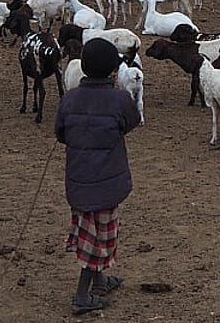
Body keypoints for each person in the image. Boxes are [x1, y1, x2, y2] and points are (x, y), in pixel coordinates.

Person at [55, 38, 142, 315]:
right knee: (98, 238)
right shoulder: (120, 100)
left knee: (91, 232)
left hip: (79, 180)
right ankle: (82, 296)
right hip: (108, 180)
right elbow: (131, 122)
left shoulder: (69, 99)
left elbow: (60, 133)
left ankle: (100, 282)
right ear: (113, 69)